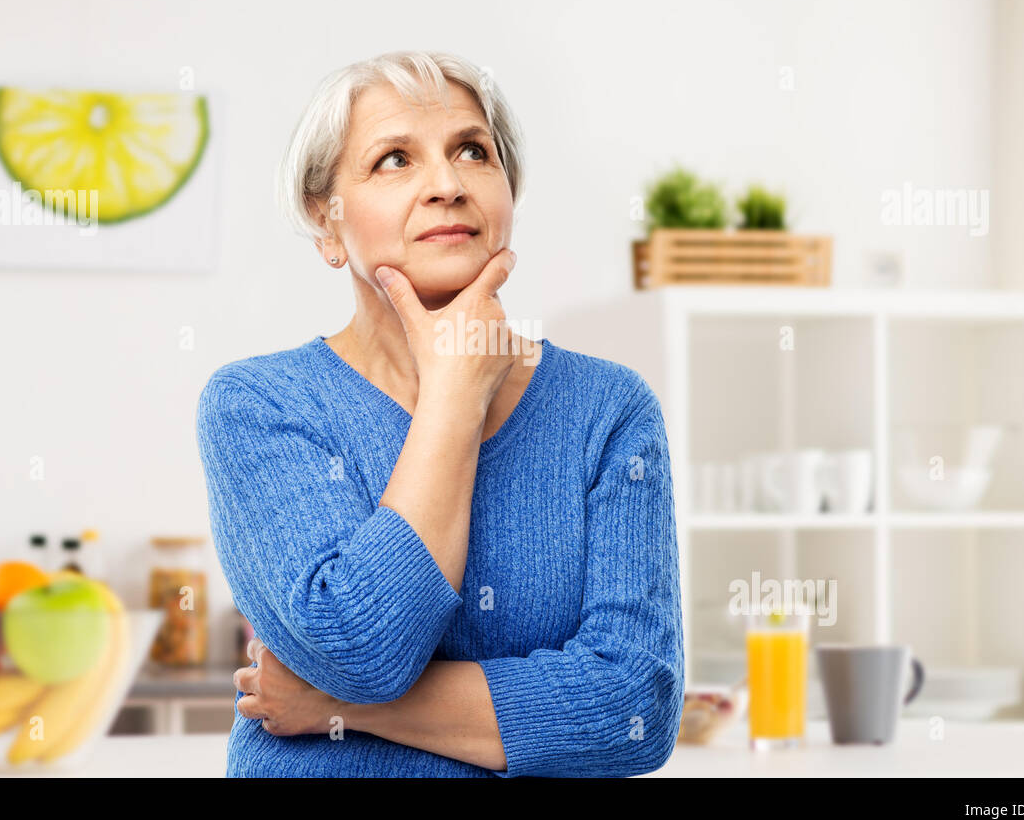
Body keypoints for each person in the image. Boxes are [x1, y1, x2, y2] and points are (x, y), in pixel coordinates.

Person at [195, 50, 683, 777]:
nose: (447, 184)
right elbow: (361, 647)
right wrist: (456, 393)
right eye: (394, 160)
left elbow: (632, 709)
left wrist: (341, 707)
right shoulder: (258, 404)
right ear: (325, 220)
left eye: (472, 151)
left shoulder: (608, 410)